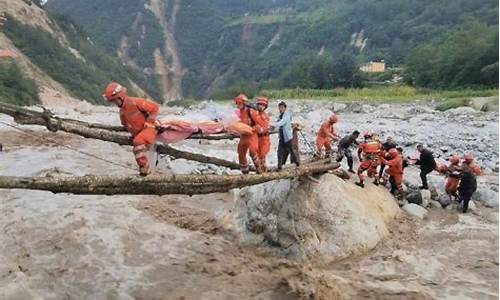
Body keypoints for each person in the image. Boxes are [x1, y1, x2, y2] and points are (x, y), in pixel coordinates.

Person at [102, 82, 159, 176]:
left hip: (149, 130)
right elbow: (125, 124)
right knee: (138, 142)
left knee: (138, 141)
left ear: (120, 97)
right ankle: (146, 171)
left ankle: (144, 169)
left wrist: (149, 122)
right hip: (139, 134)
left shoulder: (136, 102)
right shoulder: (122, 112)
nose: (114, 103)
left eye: (114, 101)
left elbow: (155, 108)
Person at [234, 93, 263, 174]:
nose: (238, 105)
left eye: (239, 104)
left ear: (244, 103)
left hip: (252, 134)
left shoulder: (251, 112)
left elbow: (259, 125)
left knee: (252, 151)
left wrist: (251, 129)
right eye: (237, 104)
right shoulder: (239, 113)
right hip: (243, 135)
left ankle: (259, 168)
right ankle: (245, 172)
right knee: (241, 153)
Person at [272, 101, 300, 170]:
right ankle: (279, 166)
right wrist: (272, 126)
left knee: (292, 151)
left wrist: (273, 125)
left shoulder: (286, 115)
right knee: (279, 151)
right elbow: (277, 122)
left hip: (288, 138)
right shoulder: (280, 116)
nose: (280, 109)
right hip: (282, 137)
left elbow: (281, 123)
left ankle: (297, 163)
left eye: (282, 107)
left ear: (285, 108)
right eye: (279, 108)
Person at [254, 96, 271, 172]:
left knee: (262, 155)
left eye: (263, 105)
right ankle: (260, 170)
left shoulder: (265, 116)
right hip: (257, 138)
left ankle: (263, 171)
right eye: (260, 104)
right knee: (257, 155)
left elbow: (264, 127)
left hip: (264, 139)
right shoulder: (254, 114)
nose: (261, 106)